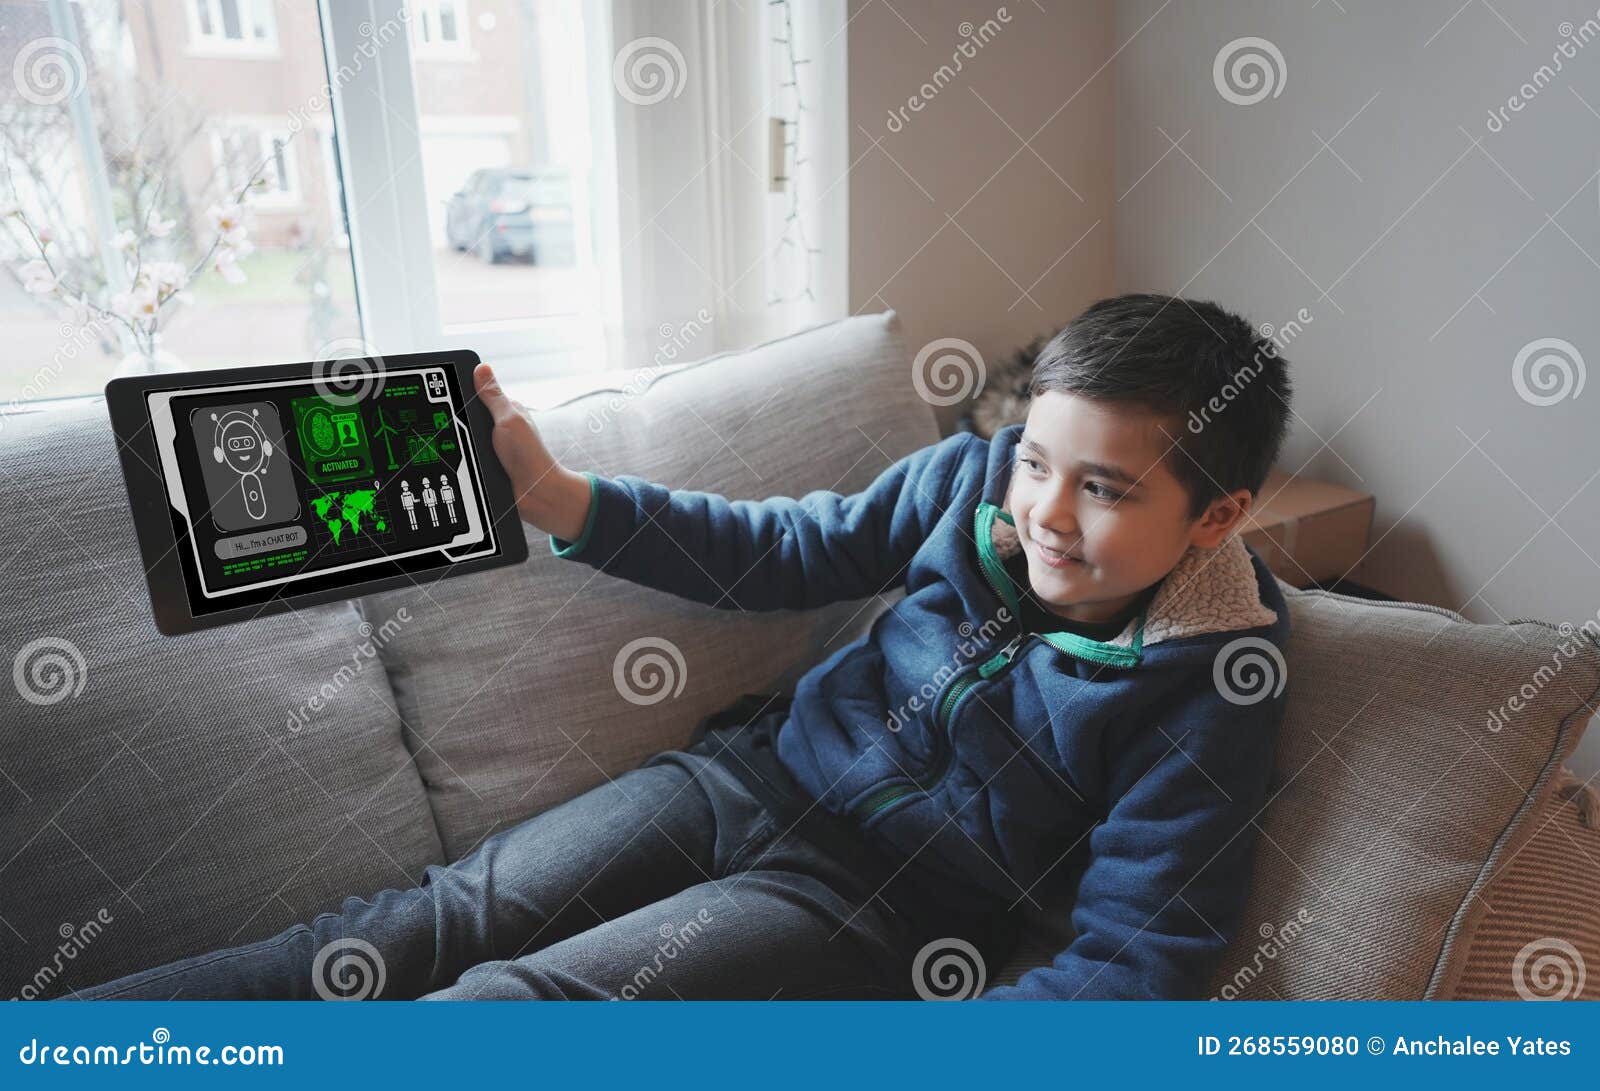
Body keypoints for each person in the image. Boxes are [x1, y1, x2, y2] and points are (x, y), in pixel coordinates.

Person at [71, 293, 1293, 1001]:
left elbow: (1141, 959)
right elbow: (785, 551)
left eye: (1103, 489)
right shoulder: (966, 480)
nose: (1042, 514)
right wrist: (561, 497)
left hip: (867, 908)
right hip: (739, 778)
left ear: (1217, 517)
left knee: (502, 1009)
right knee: (403, 928)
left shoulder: (1210, 681)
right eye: (1036, 461)